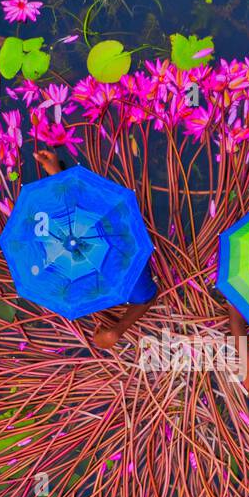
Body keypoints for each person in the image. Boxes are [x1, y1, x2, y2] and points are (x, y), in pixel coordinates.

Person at [32, 149, 156, 350]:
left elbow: (147, 299)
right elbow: (145, 299)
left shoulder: (123, 273)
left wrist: (118, 330)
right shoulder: (118, 243)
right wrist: (56, 172)